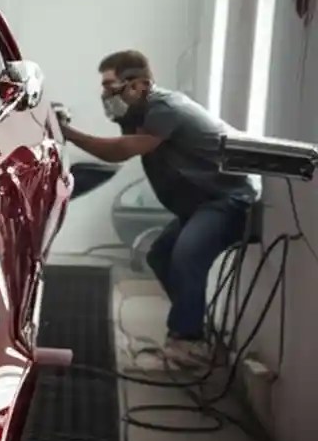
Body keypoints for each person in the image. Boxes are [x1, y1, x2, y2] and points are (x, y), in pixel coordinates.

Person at [55, 50, 257, 367]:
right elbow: (116, 150)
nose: (105, 95)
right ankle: (194, 330)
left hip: (226, 199)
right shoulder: (137, 114)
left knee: (187, 254)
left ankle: (187, 339)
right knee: (160, 255)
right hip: (200, 204)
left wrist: (68, 133)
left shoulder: (165, 107)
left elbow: (119, 152)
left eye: (111, 86)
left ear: (138, 85)